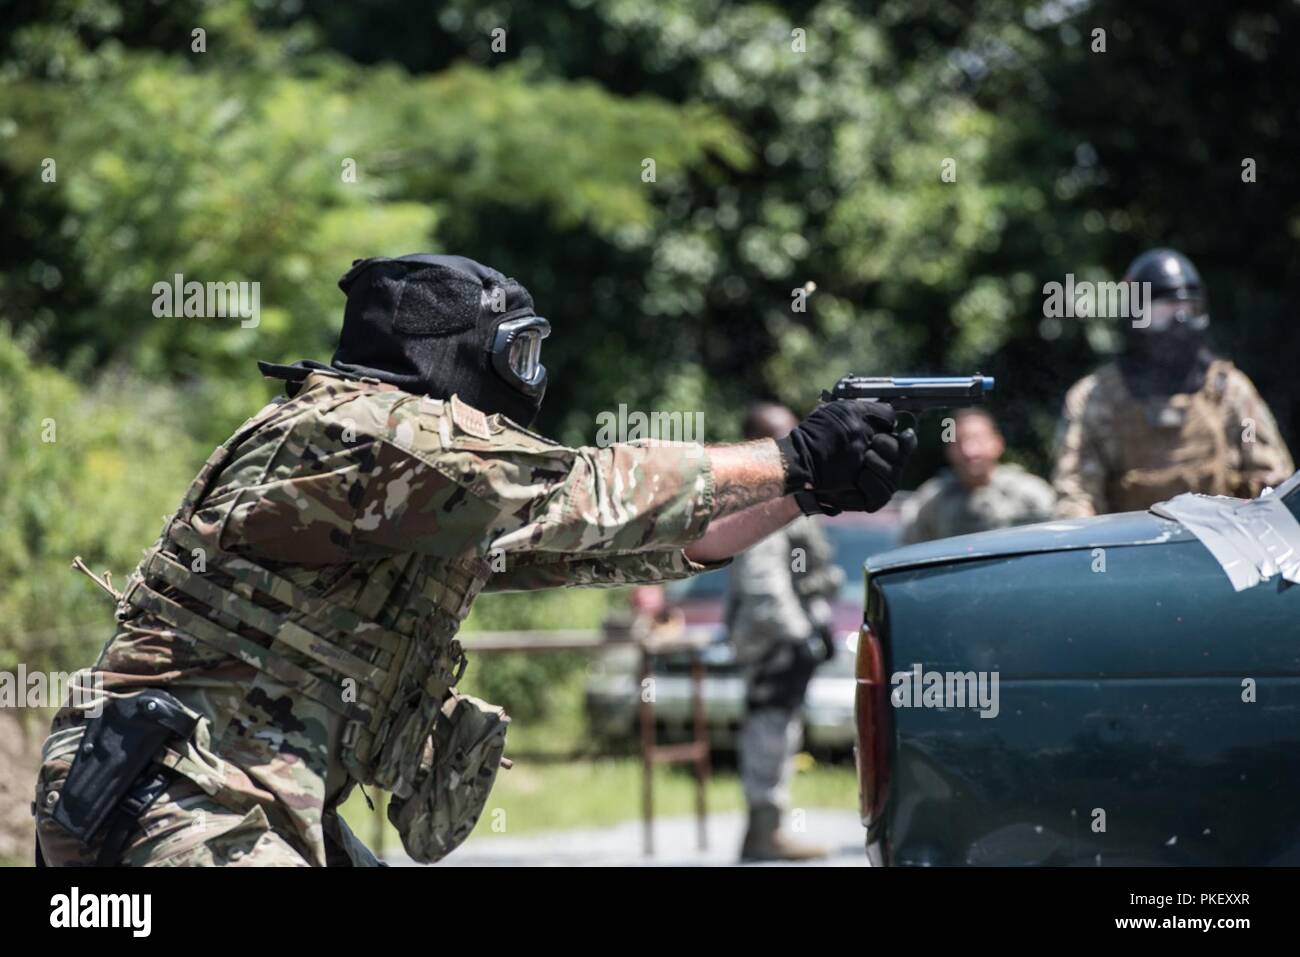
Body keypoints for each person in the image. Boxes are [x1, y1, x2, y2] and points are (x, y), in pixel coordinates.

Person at [33, 254, 915, 867]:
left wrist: (809, 493)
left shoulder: (427, 506)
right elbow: (591, 487)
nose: (529, 382)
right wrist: (791, 456)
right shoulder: (354, 431)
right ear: (448, 348)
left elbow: (637, 539)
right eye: (518, 351)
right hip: (165, 798)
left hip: (242, 801)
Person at [1053, 248, 1293, 517]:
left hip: (1222, 551)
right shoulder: (1095, 399)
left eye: (1189, 307)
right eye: (1165, 307)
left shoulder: (1229, 391)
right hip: (1127, 552)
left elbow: (1270, 483)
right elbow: (1076, 496)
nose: (1180, 318)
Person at [727, 403, 844, 863]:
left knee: (779, 729)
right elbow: (763, 582)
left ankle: (767, 829)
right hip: (773, 640)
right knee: (770, 731)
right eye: (785, 435)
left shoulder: (782, 489)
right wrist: (799, 636)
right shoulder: (760, 492)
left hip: (784, 634)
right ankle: (764, 832)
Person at [899, 409, 1056, 544]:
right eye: (959, 442)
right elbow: (908, 551)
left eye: (977, 440)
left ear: (997, 443)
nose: (970, 451)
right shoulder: (931, 500)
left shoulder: (1031, 493)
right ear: (949, 449)